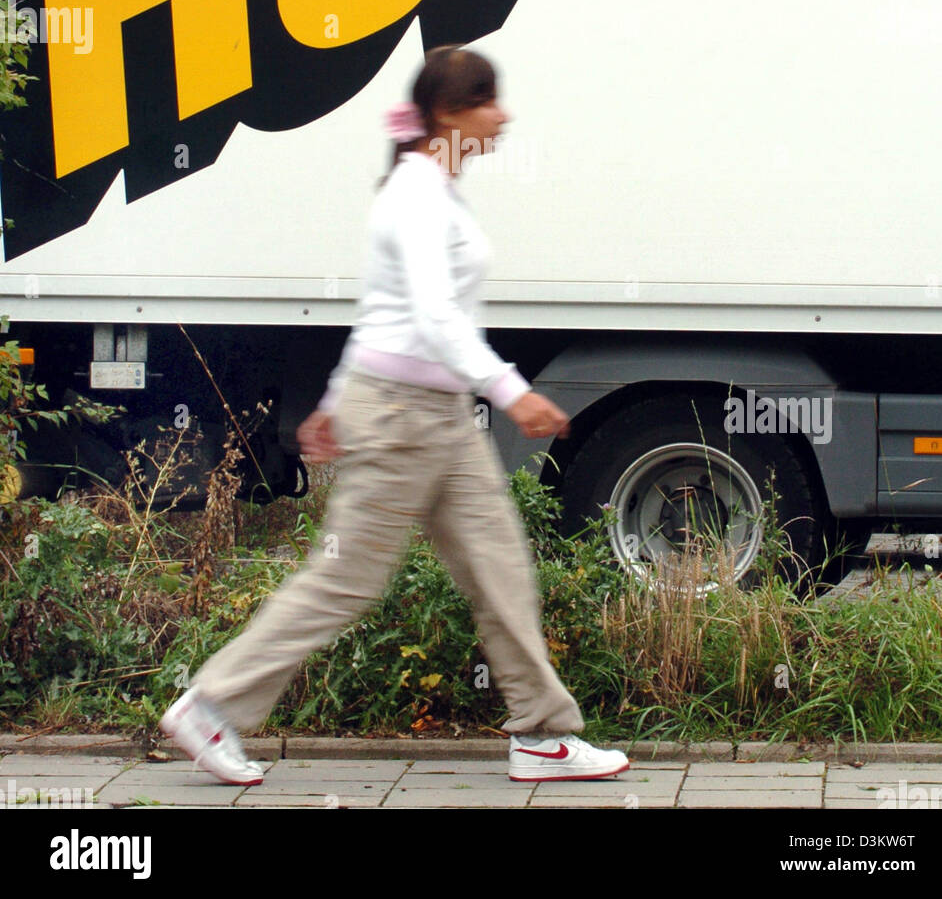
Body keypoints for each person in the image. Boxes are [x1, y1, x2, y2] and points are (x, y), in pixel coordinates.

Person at [161, 45, 628, 785]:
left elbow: (380, 312)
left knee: (500, 568)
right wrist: (512, 391)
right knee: (344, 581)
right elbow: (432, 316)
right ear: (449, 114)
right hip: (406, 421)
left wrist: (338, 398)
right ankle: (209, 707)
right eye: (487, 100)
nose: (502, 115)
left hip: (432, 416)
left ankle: (541, 737)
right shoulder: (414, 194)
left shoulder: (434, 190)